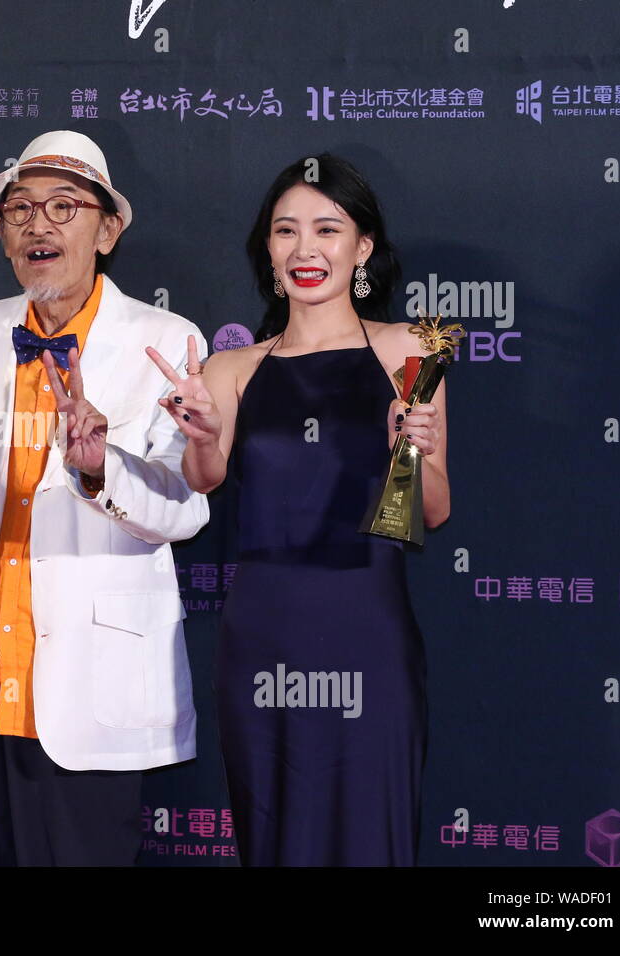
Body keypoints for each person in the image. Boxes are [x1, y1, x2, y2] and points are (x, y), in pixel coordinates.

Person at [0, 130, 209, 866]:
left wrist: (99, 471)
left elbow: (185, 511)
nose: (39, 224)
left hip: (84, 694)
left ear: (109, 229)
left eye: (65, 206)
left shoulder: (166, 341)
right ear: (2, 237)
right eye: (21, 209)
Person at [150, 154, 446, 865]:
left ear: (362, 248)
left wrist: (414, 451)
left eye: (326, 229)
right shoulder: (231, 369)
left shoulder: (411, 349)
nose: (305, 249)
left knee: (368, 822)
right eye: (285, 231)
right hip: (263, 631)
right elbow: (205, 479)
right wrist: (197, 435)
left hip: (366, 624)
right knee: (273, 820)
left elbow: (432, 511)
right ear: (268, 249)